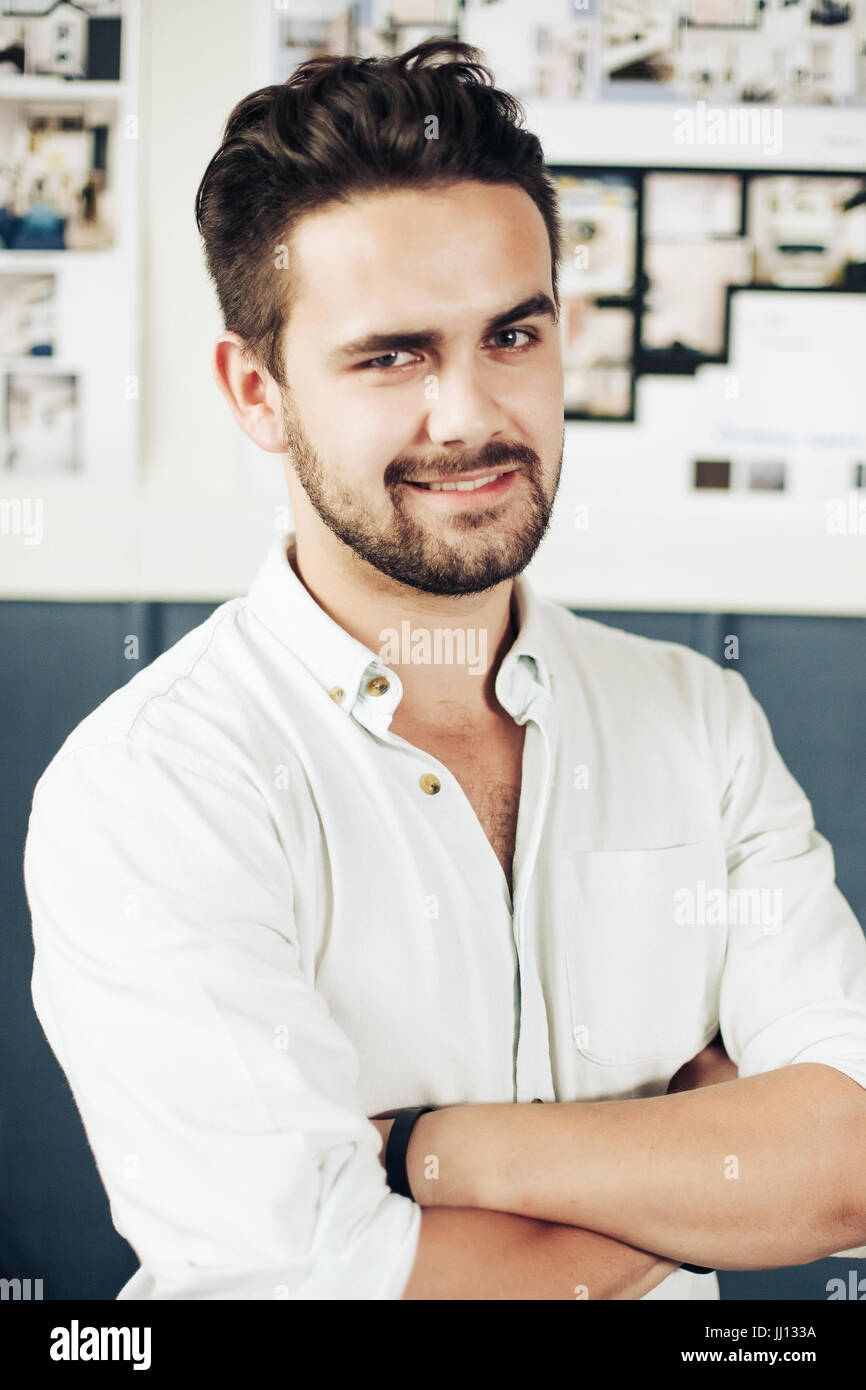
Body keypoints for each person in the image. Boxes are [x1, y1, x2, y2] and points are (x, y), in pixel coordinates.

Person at [24, 39, 866, 1301]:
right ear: (257, 393)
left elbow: (844, 1164)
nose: (468, 414)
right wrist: (710, 1175)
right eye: (392, 354)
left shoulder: (695, 720)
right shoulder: (151, 788)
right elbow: (314, 1283)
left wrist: (427, 1150)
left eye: (510, 334)